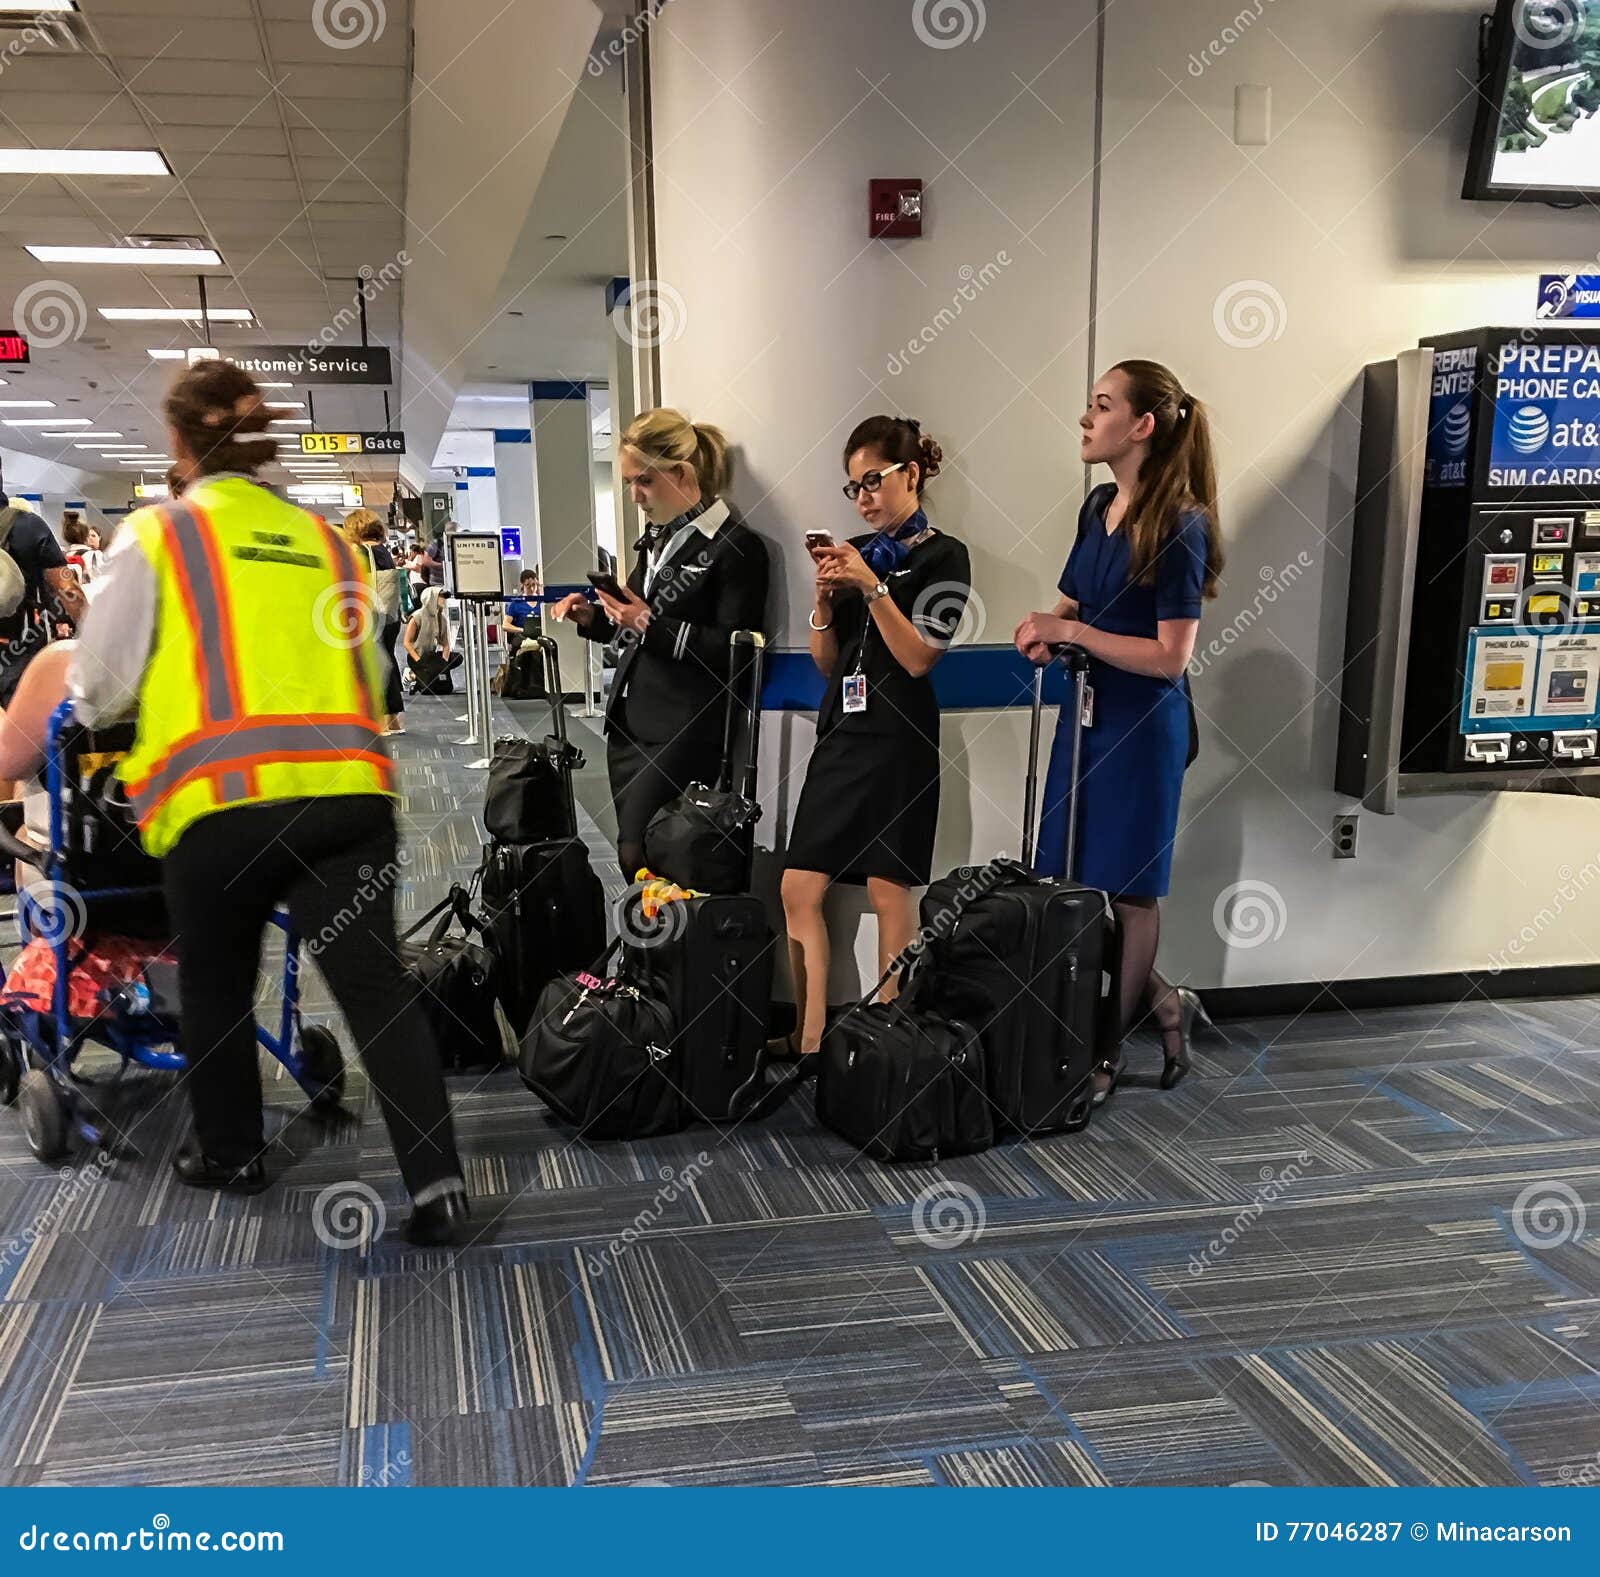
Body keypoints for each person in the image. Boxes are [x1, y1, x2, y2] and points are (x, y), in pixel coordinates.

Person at [31, 357, 467, 1243]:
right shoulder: (325, 541)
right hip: (347, 798)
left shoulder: (161, 535)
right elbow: (371, 669)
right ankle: (439, 1186)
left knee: (217, 981)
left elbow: (101, 686)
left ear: (178, 442)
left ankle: (230, 1152)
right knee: (374, 987)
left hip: (222, 806)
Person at [1014, 359, 1225, 1101]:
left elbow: (1171, 657)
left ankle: (1106, 1054)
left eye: (1102, 406)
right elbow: (1073, 602)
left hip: (1143, 725)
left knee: (1131, 893)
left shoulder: (1181, 523)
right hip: (1088, 712)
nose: (1086, 418)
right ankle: (1164, 1001)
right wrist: (1046, 629)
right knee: (1068, 875)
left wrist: (1074, 634)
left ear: (1142, 425)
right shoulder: (1099, 504)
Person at [778, 417, 970, 1057]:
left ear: (910, 474)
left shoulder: (945, 557)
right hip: (843, 733)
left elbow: (918, 658)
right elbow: (828, 663)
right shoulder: (857, 551)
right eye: (852, 487)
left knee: (890, 890)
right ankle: (808, 1041)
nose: (862, 498)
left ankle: (884, 1041)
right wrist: (824, 601)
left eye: (872, 481)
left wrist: (872, 586)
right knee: (798, 886)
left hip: (900, 738)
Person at [551, 408, 769, 877]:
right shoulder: (658, 540)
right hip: (632, 720)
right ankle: (650, 926)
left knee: (642, 848)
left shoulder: (736, 547)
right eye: (630, 483)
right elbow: (636, 624)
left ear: (682, 474)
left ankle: (659, 923)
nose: (635, 496)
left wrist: (648, 625)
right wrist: (595, 618)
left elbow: (737, 652)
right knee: (639, 850)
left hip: (688, 722)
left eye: (644, 481)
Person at [0, 463, 86, 712]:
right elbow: (68, 588)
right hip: (18, 649)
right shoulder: (28, 526)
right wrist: (92, 638)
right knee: (22, 726)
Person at [344, 508, 405, 736]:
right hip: (390, 614)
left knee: (373, 664)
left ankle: (380, 721)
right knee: (388, 659)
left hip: (370, 613)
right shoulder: (384, 551)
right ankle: (393, 721)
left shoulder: (359, 552)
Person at [404, 585, 461, 694]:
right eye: (441, 596)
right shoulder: (417, 617)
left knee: (457, 658)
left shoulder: (441, 619)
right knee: (428, 686)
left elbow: (446, 644)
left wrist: (443, 662)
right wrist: (418, 660)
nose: (444, 599)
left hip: (431, 656)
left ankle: (418, 676)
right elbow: (407, 642)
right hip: (417, 656)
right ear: (431, 597)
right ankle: (417, 675)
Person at [61, 514, 106, 584]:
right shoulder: (96, 555)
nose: (90, 538)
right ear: (85, 536)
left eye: (93, 536)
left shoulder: (63, 555)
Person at [504, 567, 542, 646]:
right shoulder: (516, 603)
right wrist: (523, 630)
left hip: (540, 636)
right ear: (522, 585)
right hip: (523, 638)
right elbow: (505, 625)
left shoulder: (542, 602)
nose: (532, 589)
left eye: (534, 585)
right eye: (528, 586)